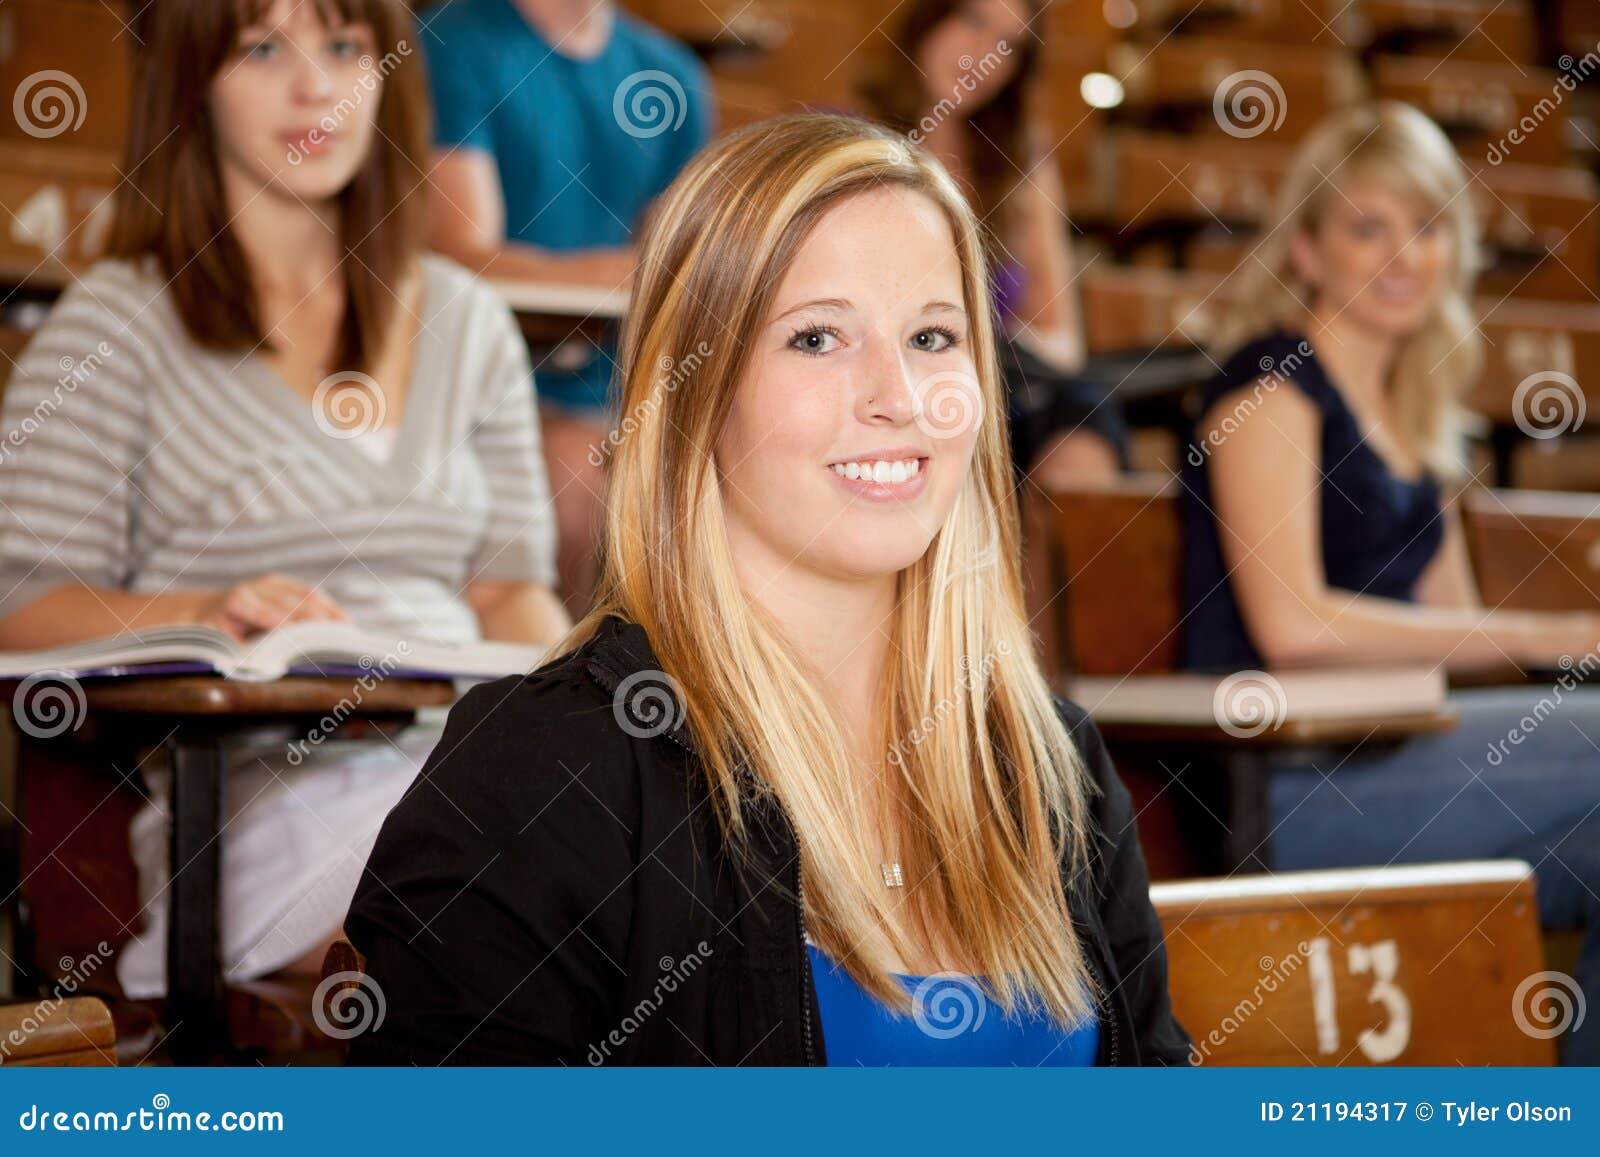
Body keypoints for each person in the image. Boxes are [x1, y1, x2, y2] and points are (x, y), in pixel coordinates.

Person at [344, 113, 1190, 1066]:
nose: (898, 397)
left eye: (931, 335)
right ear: (694, 391)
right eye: (818, 337)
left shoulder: (1048, 763)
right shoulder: (549, 767)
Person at [0, 0, 569, 1000]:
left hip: (470, 762)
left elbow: (513, 597)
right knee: (525, 907)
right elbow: (19, 603)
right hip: (265, 801)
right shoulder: (118, 321)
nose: (317, 87)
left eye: (346, 47)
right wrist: (203, 613)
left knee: (672, 862)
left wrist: (566, 717)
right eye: (264, 48)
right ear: (193, 84)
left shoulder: (469, 318)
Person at [1181, 102, 1600, 1064]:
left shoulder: (1419, 411)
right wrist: (1554, 638)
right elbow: (1292, 625)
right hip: (1288, 778)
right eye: (1371, 226)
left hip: (1411, 760)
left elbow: (1459, 632)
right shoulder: (1270, 384)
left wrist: (1537, 653)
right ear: (1308, 248)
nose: (1405, 255)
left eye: (1428, 227)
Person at [420, 0, 713, 615]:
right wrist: (624, 273)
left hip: (621, 383)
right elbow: (459, 254)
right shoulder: (451, 43)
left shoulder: (672, 74)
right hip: (484, 382)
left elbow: (683, 259)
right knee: (576, 475)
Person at [859, 0, 1127, 489]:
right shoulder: (849, 140)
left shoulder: (1018, 159)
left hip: (993, 389)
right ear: (929, 18)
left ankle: (1028, 566)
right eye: (974, 22)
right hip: (883, 379)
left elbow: (1061, 338)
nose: (983, 57)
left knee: (1083, 416)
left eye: (1008, 46)